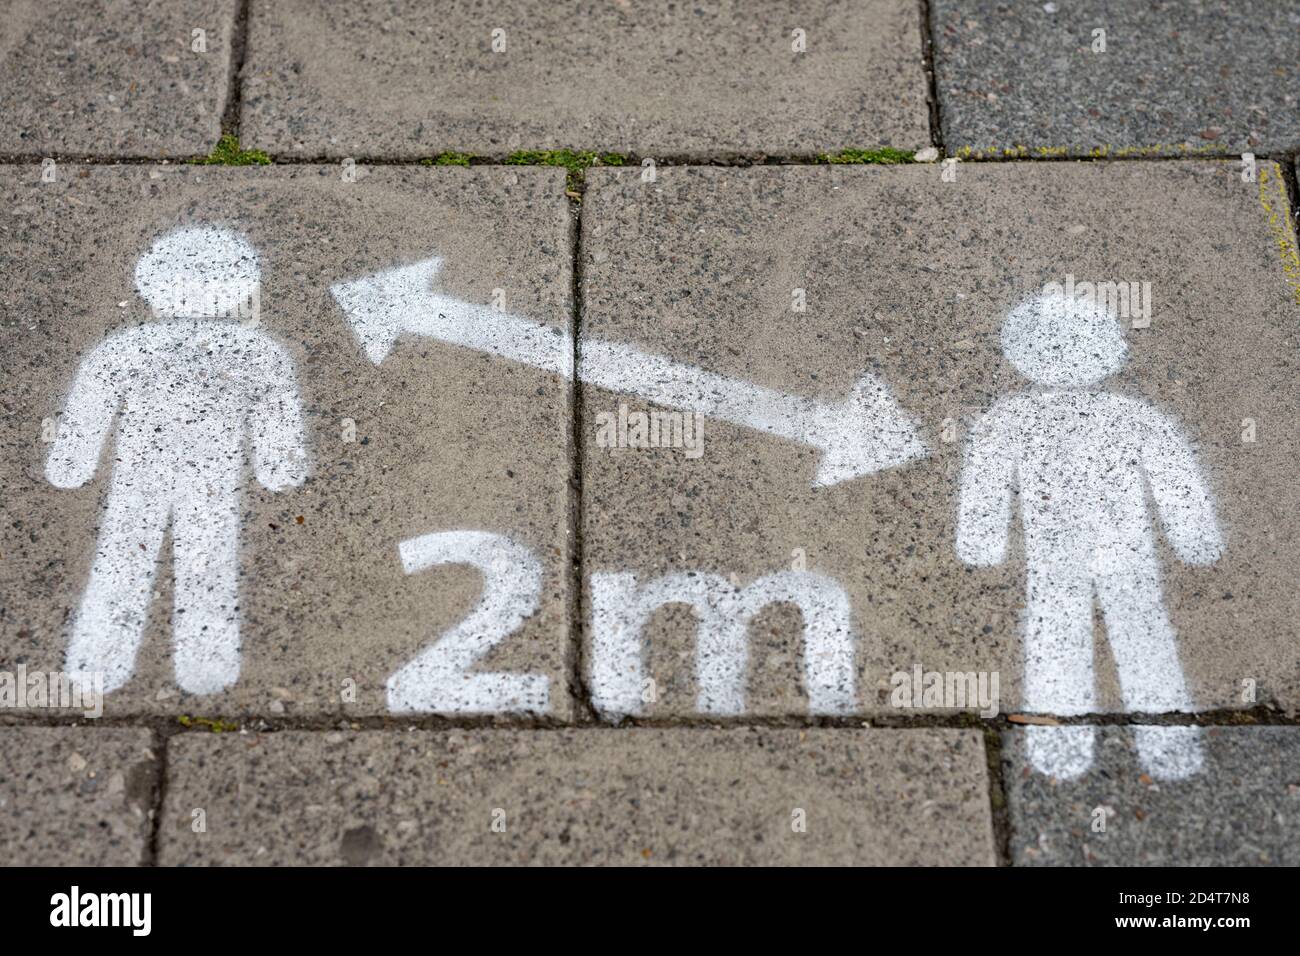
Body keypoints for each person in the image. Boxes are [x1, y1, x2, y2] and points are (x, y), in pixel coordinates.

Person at [957, 290, 1222, 779]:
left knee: (1060, 632)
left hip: (1066, 552)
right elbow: (1174, 472)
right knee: (1137, 632)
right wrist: (1194, 536)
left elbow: (987, 482)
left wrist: (982, 542)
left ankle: (1062, 747)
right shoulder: (1132, 415)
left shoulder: (1011, 417)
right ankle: (1166, 745)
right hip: (1115, 549)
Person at [46, 226, 309, 695]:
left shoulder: (127, 346)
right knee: (207, 554)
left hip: (142, 469)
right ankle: (206, 659)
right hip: (213, 472)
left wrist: (72, 462)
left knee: (123, 552)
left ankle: (99, 655)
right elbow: (277, 409)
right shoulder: (255, 349)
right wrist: (278, 466)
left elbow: (92, 399)